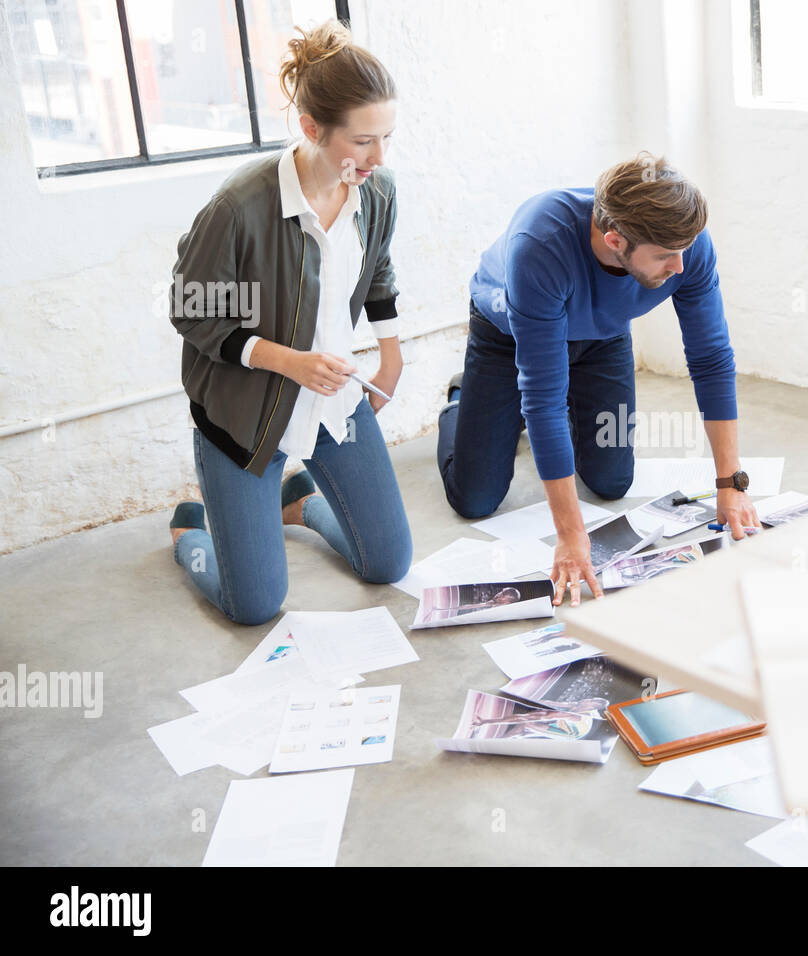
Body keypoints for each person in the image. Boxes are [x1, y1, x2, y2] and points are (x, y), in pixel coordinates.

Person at [167, 20, 410, 625]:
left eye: (386, 138)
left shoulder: (376, 192)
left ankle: (298, 505)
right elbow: (188, 309)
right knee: (254, 605)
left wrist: (391, 351)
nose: (377, 158)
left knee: (389, 563)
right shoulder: (239, 206)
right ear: (311, 129)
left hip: (331, 400)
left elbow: (376, 269)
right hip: (245, 414)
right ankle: (191, 535)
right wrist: (289, 361)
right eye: (361, 142)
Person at [438, 153, 760, 608]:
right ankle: (460, 400)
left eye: (684, 250)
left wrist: (731, 483)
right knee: (475, 497)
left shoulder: (684, 241)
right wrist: (571, 538)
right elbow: (544, 401)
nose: (681, 266)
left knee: (611, 480)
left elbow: (711, 358)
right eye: (666, 256)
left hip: (600, 337)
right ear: (615, 240)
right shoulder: (541, 244)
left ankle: (555, 409)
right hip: (510, 336)